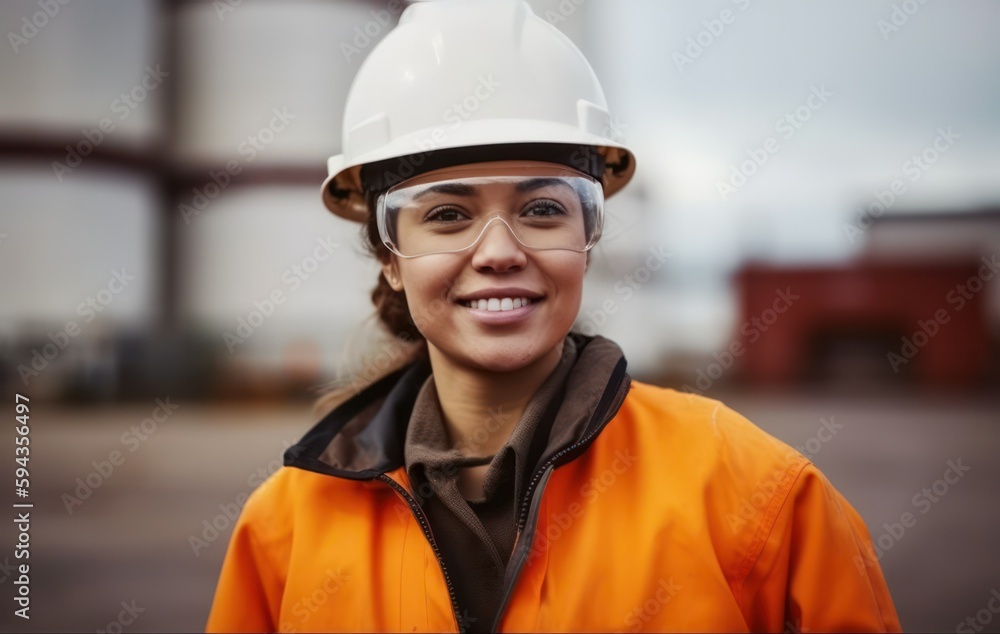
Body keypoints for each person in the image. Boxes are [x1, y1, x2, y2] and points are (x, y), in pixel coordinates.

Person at [206, 1, 901, 631]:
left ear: (590, 239)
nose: (501, 253)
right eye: (448, 215)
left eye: (542, 210)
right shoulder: (286, 530)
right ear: (388, 254)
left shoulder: (756, 496)